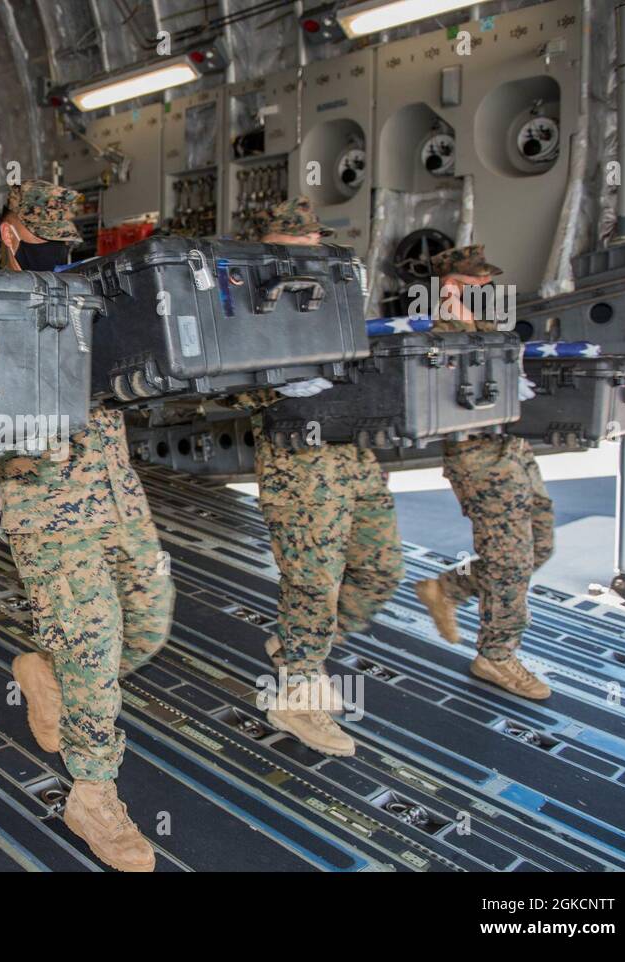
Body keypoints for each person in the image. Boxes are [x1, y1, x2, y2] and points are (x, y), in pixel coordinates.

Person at [0, 180, 175, 873]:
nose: (54, 252)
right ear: (11, 236)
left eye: (64, 242)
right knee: (96, 639)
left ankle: (49, 671)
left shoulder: (91, 294)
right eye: (40, 240)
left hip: (116, 493)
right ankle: (94, 793)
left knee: (151, 620)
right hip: (46, 504)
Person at [245, 198, 404, 757]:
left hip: (354, 452)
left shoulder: (333, 290)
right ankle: (296, 690)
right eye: (300, 246)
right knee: (313, 582)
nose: (312, 254)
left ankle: (296, 647)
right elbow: (215, 377)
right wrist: (274, 385)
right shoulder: (245, 299)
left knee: (382, 567)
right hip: (299, 464)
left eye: (315, 244)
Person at [413, 245, 553, 700]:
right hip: (478, 456)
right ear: (452, 285)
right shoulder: (435, 333)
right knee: (510, 560)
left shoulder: (484, 325)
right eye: (478, 283)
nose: (488, 289)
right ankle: (497, 655)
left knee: (540, 543)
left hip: (510, 445)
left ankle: (447, 590)